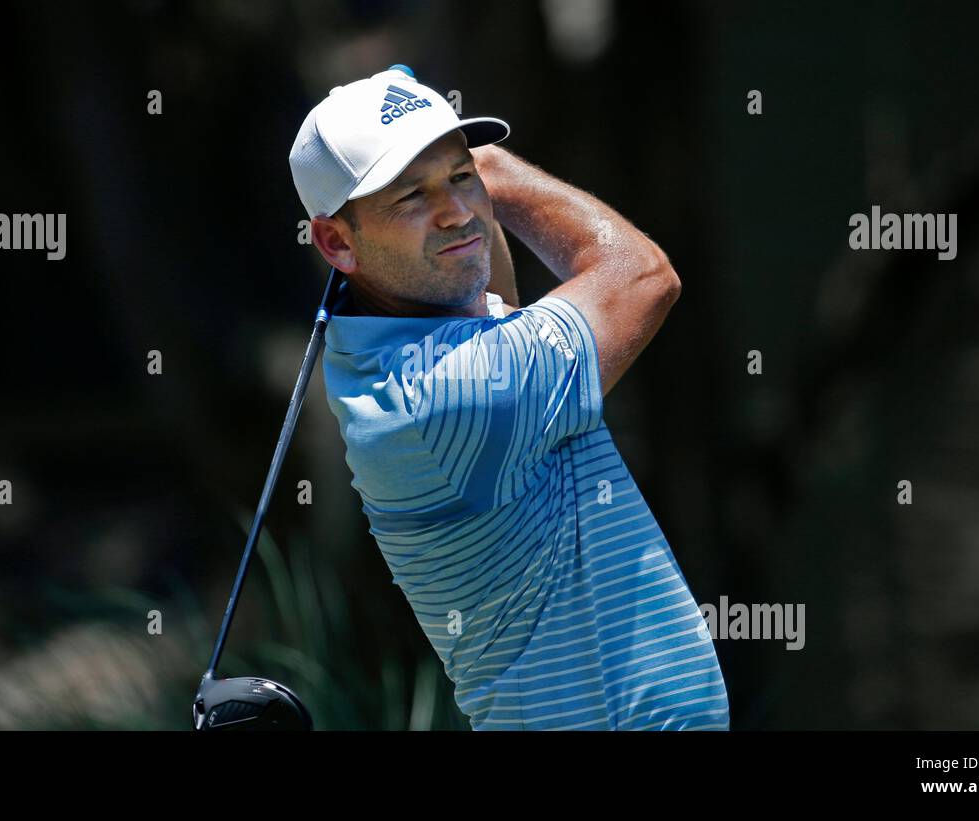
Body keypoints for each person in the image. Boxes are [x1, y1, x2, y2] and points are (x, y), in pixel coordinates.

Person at [289, 66, 729, 730]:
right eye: (412, 195)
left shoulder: (393, 339)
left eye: (461, 179)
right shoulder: (451, 396)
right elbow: (641, 274)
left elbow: (495, 307)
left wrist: (431, 154)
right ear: (335, 241)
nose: (459, 211)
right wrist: (488, 163)